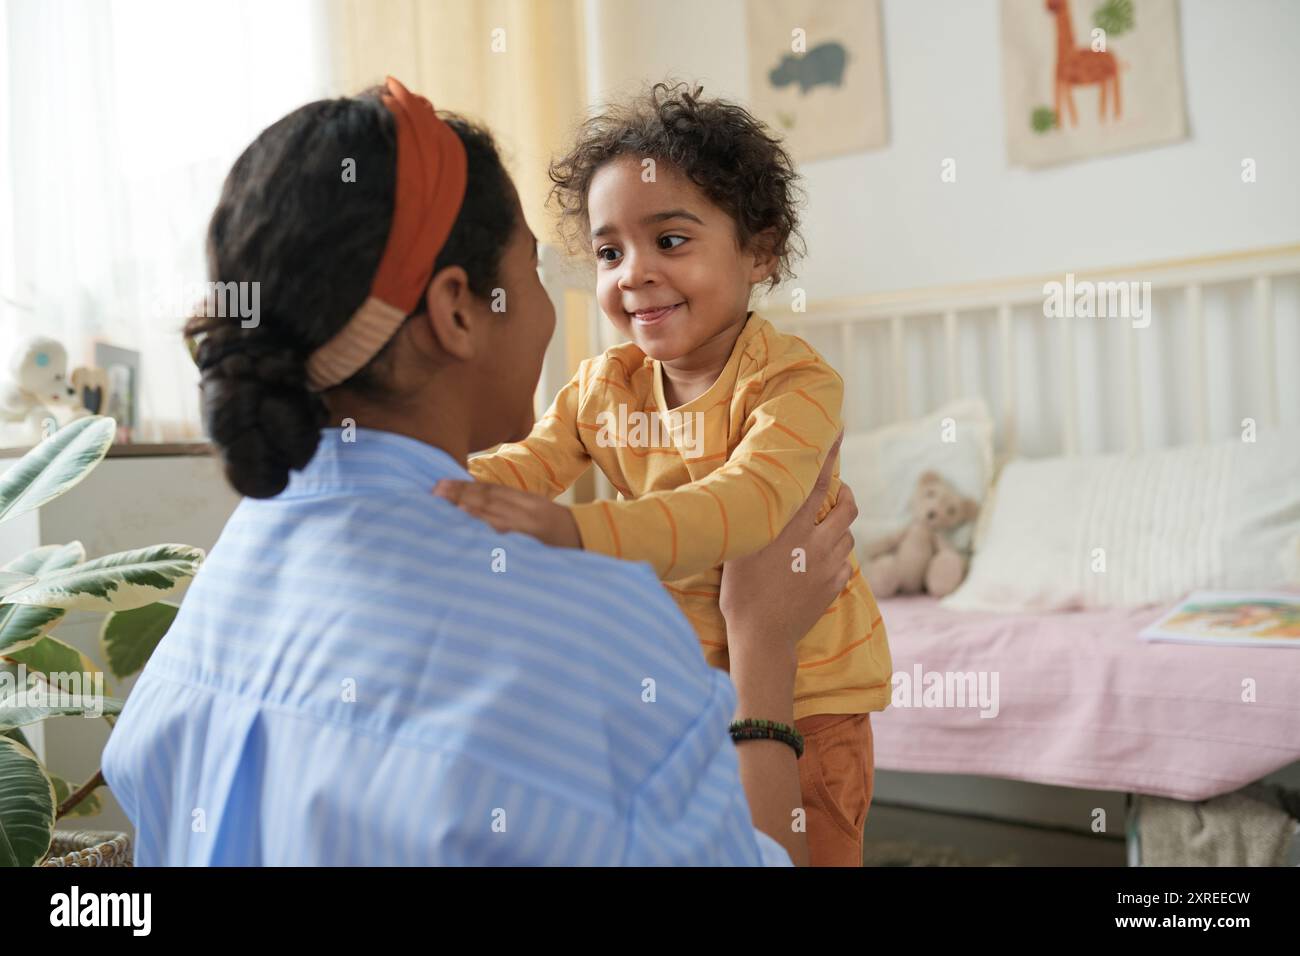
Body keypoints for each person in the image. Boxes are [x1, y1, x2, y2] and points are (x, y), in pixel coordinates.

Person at [101, 78, 859, 866]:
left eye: (668, 241)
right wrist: (763, 644)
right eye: (561, 262)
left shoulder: (218, 590)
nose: (623, 280)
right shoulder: (597, 634)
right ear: (459, 310)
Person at [435, 82, 891, 866]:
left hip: (809, 702)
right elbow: (527, 464)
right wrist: (435, 480)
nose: (633, 273)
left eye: (670, 241)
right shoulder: (602, 386)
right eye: (610, 251)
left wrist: (575, 530)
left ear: (760, 251)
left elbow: (743, 509)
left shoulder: (792, 386)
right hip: (672, 690)